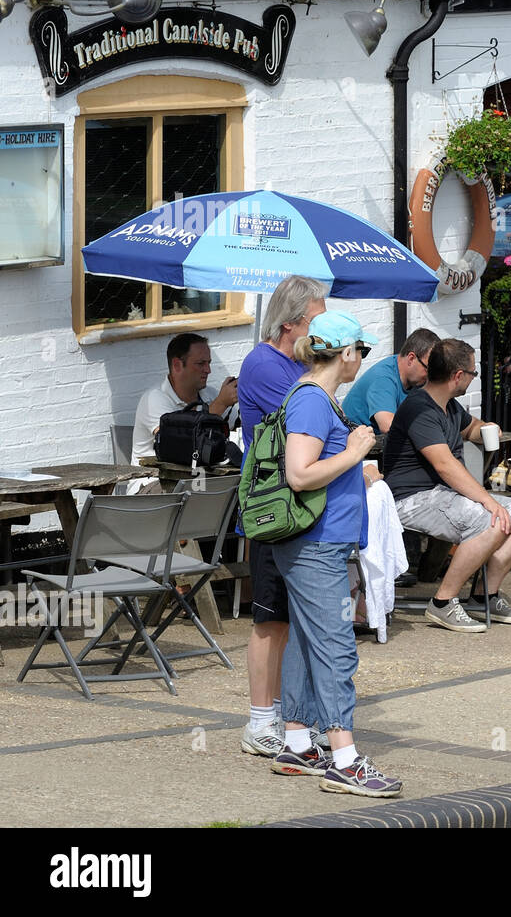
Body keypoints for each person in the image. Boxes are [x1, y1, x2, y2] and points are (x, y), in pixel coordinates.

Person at [268, 309, 400, 797]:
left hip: (320, 540)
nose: (362, 360)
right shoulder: (311, 401)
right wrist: (356, 452)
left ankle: (299, 743)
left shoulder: (319, 397)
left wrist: (350, 462)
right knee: (337, 648)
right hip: (314, 544)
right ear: (346, 353)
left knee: (306, 641)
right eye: (361, 352)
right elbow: (299, 474)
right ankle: (344, 760)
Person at [385, 339, 511, 632]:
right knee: (490, 519)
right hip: (411, 498)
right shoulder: (419, 409)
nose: (472, 378)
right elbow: (444, 464)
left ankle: (484, 596)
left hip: (442, 495)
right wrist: (488, 500)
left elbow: (469, 427)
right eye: (472, 373)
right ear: (458, 376)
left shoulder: (449, 406)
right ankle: (443, 602)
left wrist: (486, 429)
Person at [235, 275, 327, 759]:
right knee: (270, 619)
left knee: (292, 620)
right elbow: (312, 418)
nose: (324, 328)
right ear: (290, 324)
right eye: (318, 319)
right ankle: (260, 721)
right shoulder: (265, 366)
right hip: (274, 509)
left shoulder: (294, 364)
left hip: (297, 507)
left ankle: (291, 717)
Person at [131, 332, 239, 466]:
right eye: (201, 363)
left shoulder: (210, 394)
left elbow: (240, 426)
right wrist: (221, 403)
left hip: (199, 479)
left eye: (209, 363)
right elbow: (179, 444)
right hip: (154, 481)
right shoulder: (154, 399)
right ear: (177, 365)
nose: (208, 370)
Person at [341, 328, 439, 433]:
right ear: (411, 358)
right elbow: (388, 426)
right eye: (428, 369)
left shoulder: (413, 374)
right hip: (354, 439)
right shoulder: (383, 379)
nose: (430, 376)